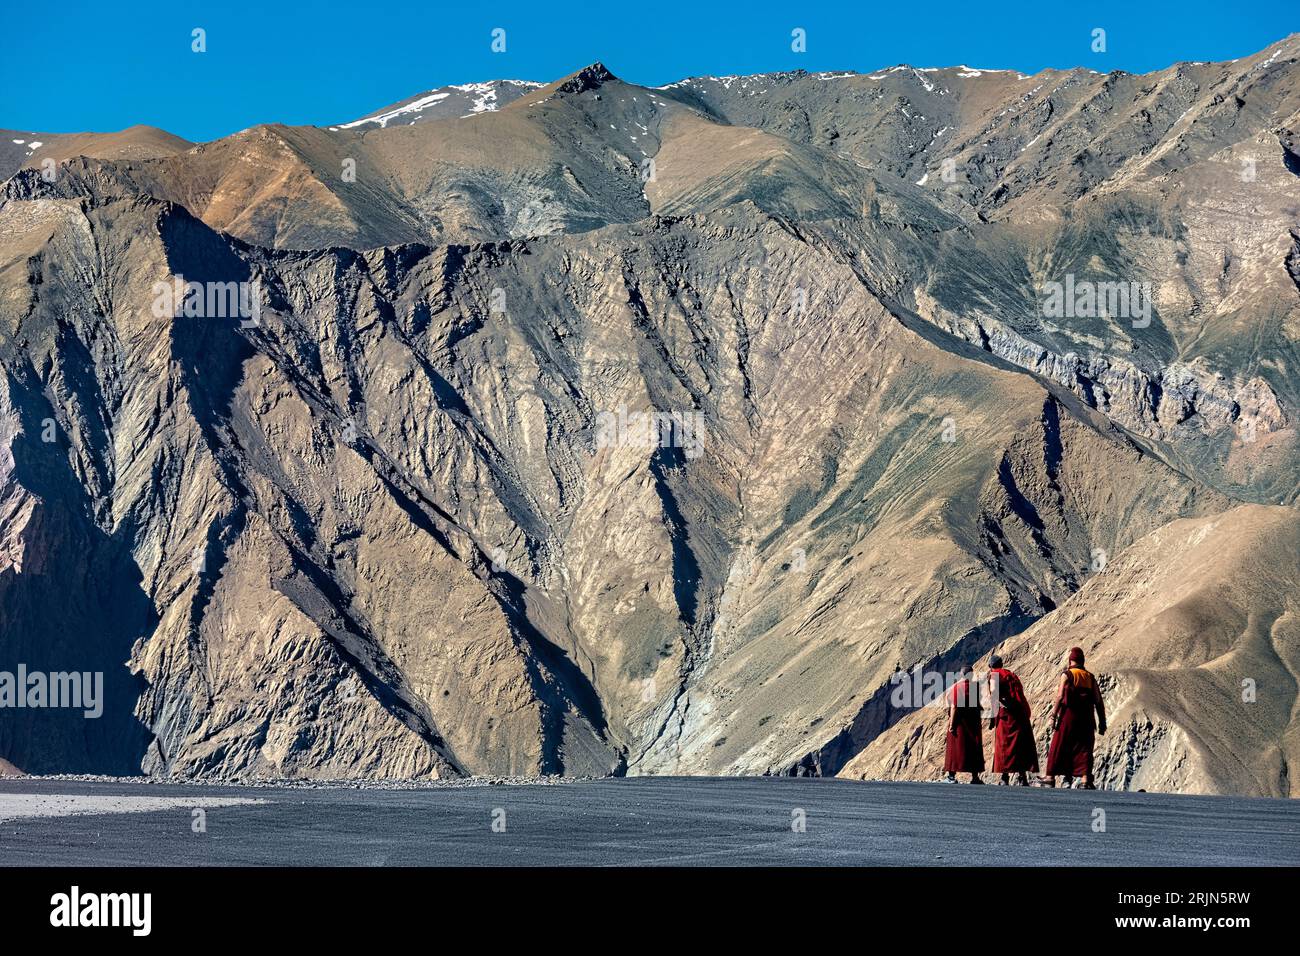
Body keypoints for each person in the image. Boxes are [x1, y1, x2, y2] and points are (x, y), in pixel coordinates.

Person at [1041, 646, 1106, 789]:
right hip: (1087, 719)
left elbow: (1059, 696)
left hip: (1068, 717)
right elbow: (1098, 701)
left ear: (1071, 661)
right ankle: (1085, 780)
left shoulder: (1067, 674)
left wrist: (1054, 715)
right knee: (1084, 749)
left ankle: (1050, 777)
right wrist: (1102, 721)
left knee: (1058, 745)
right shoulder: (1090, 677)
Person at [986, 653, 1037, 785]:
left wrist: (992, 716)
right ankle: (1023, 777)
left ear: (991, 666)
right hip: (1020, 713)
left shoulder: (994, 674)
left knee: (1005, 745)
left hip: (1007, 714)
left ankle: (1004, 777)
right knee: (1019, 745)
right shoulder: (1011, 675)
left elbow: (993, 693)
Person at [943, 664, 985, 783]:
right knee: (973, 748)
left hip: (960, 724)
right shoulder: (975, 687)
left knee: (955, 749)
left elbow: (954, 706)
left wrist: (952, 724)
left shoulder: (957, 687)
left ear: (961, 675)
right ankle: (975, 777)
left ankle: (951, 776)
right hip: (974, 724)